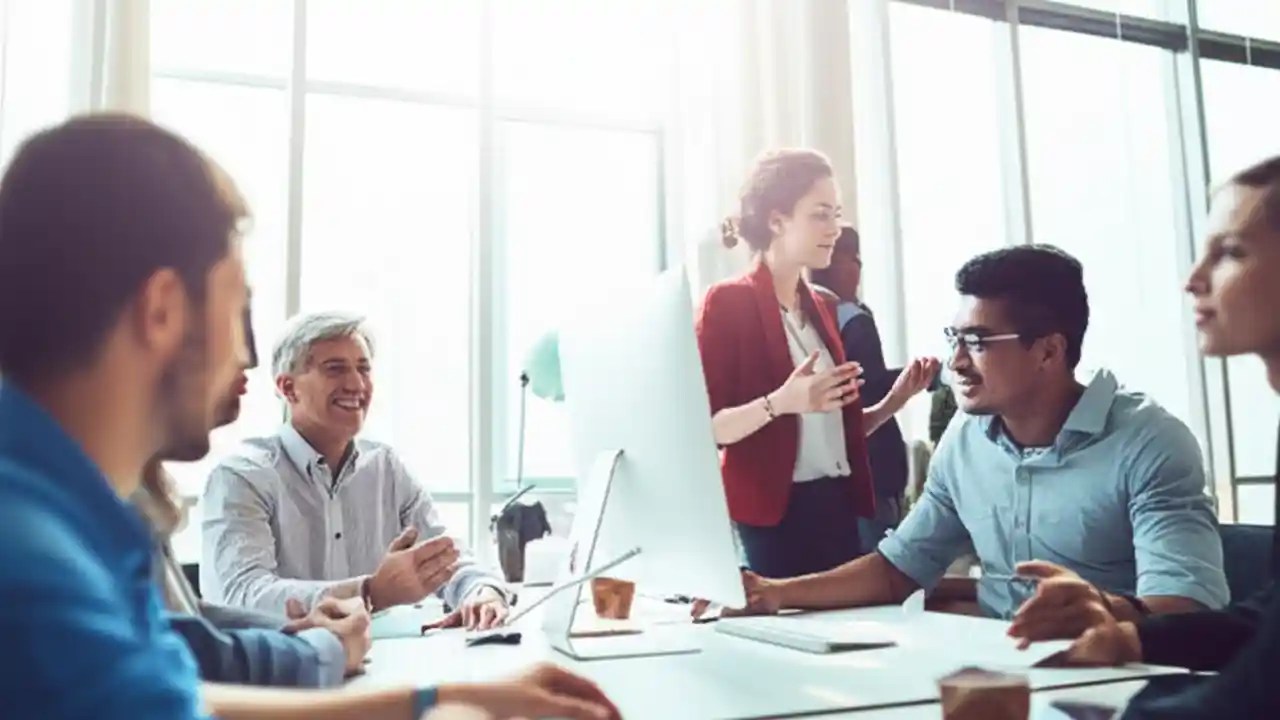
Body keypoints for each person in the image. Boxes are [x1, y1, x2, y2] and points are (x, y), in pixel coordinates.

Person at [0, 114, 619, 720]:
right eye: (234, 306)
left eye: (363, 366)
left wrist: (432, 699)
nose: (241, 354)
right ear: (163, 310)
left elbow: (167, 694)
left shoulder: (66, 519)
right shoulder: (33, 566)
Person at [695, 245, 1229, 645]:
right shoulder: (968, 438)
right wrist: (772, 592)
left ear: (1048, 351)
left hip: (1110, 683)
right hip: (995, 670)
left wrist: (1106, 611)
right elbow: (898, 567)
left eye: (977, 342)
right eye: (955, 339)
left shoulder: (1149, 443)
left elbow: (1189, 606)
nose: (954, 363)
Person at [1056, 156, 1280, 718]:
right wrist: (1134, 638)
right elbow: (1270, 618)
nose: (1193, 278)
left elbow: (1258, 694)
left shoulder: (1148, 438)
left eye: (1230, 252)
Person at [696, 148, 939, 578]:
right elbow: (708, 428)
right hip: (773, 515)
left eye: (837, 214)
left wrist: (894, 402)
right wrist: (782, 402)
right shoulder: (727, 302)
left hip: (837, 506)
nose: (835, 229)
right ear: (777, 220)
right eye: (821, 215)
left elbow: (835, 435)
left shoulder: (826, 306)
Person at [202, 311, 510, 630]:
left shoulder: (387, 468)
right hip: (279, 671)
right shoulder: (242, 476)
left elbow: (443, 558)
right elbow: (240, 596)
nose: (356, 384)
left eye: (363, 368)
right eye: (335, 369)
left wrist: (481, 592)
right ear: (288, 388)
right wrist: (369, 593)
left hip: (379, 664)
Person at [135, 302, 371, 687]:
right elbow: (172, 653)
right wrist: (322, 650)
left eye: (363, 367)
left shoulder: (127, 487)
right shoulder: (239, 475)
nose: (249, 358)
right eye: (233, 314)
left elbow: (182, 621)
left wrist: (296, 631)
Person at [809, 225, 913, 553]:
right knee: (881, 565)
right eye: (853, 260)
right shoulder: (853, 320)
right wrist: (916, 380)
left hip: (833, 474)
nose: (858, 269)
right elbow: (870, 386)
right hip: (874, 468)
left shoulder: (807, 318)